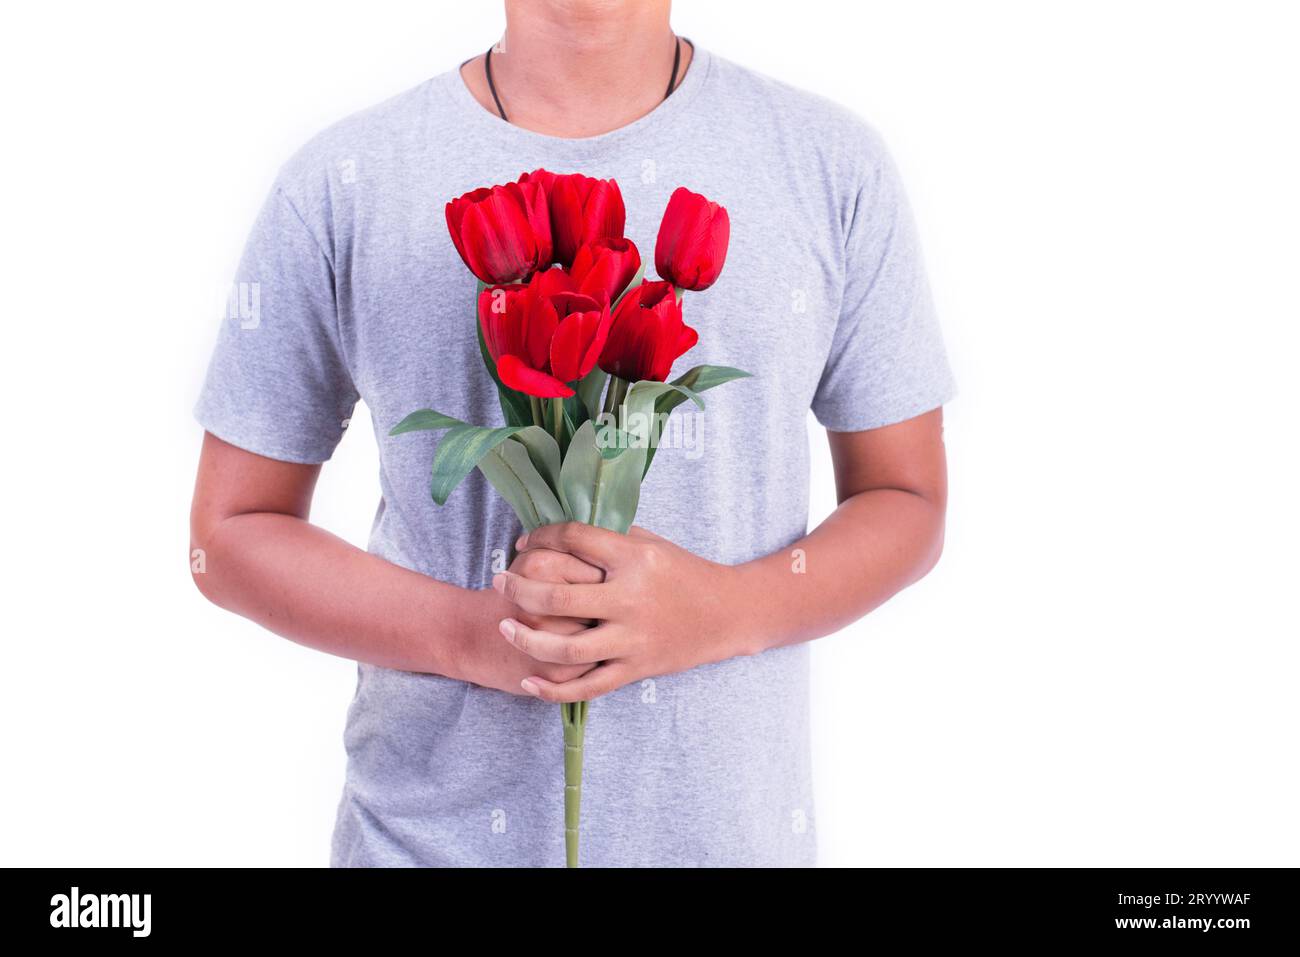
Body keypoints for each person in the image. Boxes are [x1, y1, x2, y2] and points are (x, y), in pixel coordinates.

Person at [190, 0, 954, 867]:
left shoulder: (829, 165)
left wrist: (715, 613)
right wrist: (478, 634)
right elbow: (229, 534)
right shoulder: (343, 180)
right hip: (421, 846)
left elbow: (908, 498)